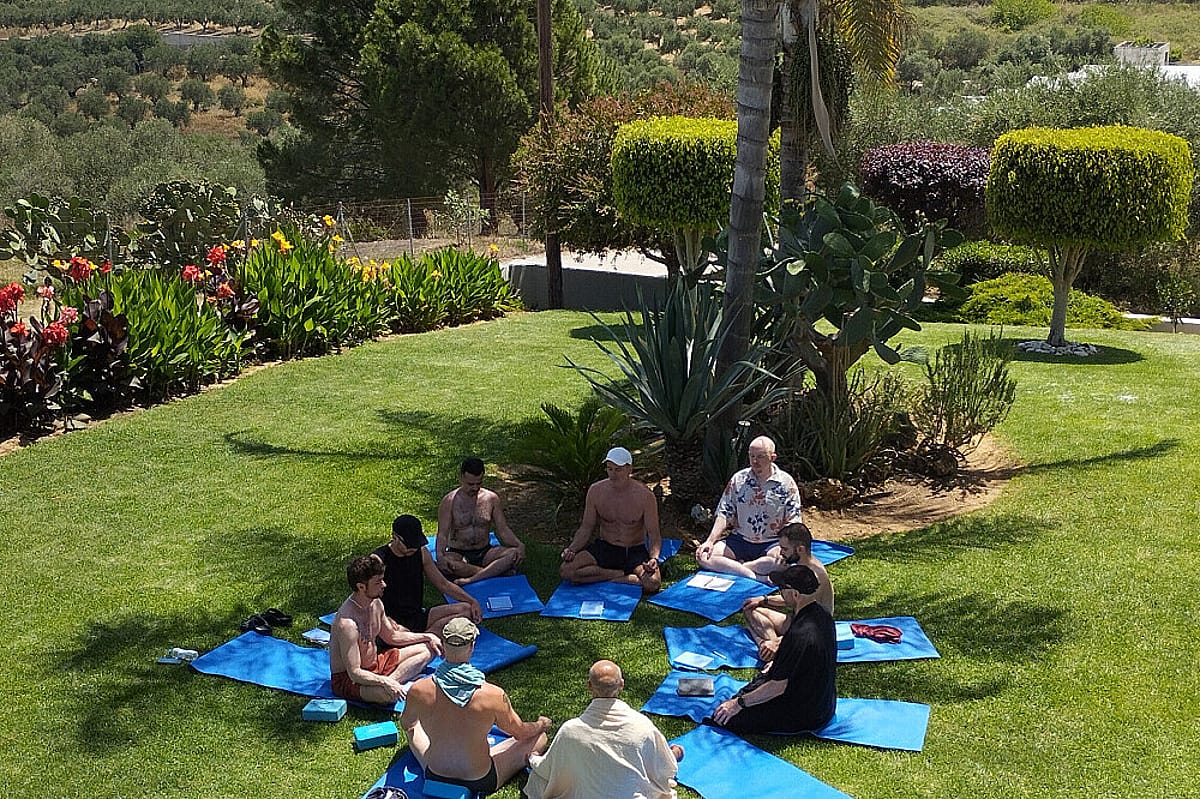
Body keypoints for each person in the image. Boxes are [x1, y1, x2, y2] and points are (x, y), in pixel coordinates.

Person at [401, 618, 552, 796]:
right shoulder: (493, 695)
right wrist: (541, 724)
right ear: (472, 647)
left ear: (443, 644)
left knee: (414, 727)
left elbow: (407, 724)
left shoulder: (419, 689)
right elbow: (521, 733)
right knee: (539, 738)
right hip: (479, 779)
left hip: (434, 773)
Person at [524, 660, 684, 799]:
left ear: (589, 686)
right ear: (621, 684)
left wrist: (533, 758)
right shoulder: (642, 727)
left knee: (538, 781)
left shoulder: (570, 731)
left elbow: (548, 769)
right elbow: (665, 766)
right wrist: (674, 753)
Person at [710, 564, 836, 735]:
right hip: (825, 704)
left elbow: (778, 687)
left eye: (782, 589)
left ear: (795, 594)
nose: (780, 592)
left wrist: (738, 703)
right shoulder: (822, 615)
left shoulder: (799, 634)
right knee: (758, 684)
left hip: (806, 714)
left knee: (725, 716)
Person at [329, 555, 443, 704]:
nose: (384, 585)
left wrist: (428, 636)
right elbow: (355, 673)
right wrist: (385, 683)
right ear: (361, 587)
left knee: (429, 649)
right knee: (387, 697)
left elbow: (392, 637)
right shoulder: (347, 624)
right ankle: (392, 685)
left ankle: (392, 682)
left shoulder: (375, 603)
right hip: (349, 679)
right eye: (378, 582)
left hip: (377, 664)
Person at [696, 436, 803, 581]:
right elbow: (724, 512)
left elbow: (794, 521)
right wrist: (710, 541)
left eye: (760, 457)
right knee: (703, 557)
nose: (755, 461)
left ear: (773, 457)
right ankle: (753, 575)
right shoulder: (738, 479)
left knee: (781, 564)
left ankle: (740, 568)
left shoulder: (786, 483)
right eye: (751, 456)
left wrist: (787, 548)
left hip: (771, 542)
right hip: (740, 540)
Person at [560, 447, 663, 594]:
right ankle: (620, 576)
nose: (613, 475)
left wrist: (654, 558)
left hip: (633, 550)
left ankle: (604, 575)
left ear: (629, 469)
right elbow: (586, 527)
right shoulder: (596, 491)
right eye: (610, 469)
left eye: (618, 470)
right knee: (566, 570)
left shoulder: (645, 496)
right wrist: (572, 549)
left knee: (653, 583)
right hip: (607, 547)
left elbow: (654, 534)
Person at [372, 515, 482, 639]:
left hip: (417, 615)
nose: (413, 549)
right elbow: (369, 597)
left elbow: (443, 584)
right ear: (395, 537)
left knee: (467, 610)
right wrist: (386, 620)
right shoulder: (379, 560)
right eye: (409, 545)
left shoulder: (422, 553)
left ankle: (422, 637)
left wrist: (472, 601)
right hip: (390, 620)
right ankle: (425, 637)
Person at [741, 522, 834, 662]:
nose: (781, 553)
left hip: (812, 630)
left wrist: (779, 642)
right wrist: (763, 599)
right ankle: (767, 645)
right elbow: (791, 599)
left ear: (800, 549)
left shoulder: (812, 577)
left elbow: (809, 626)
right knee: (750, 609)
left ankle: (773, 649)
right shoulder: (802, 567)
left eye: (785, 549)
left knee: (754, 625)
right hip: (797, 620)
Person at [436, 457, 527, 585]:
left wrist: (519, 545)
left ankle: (471, 578)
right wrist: (440, 556)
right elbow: (442, 534)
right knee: (450, 564)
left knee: (512, 554)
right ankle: (493, 572)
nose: (475, 488)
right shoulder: (449, 501)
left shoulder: (491, 499)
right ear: (461, 478)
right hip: (459, 553)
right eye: (470, 484)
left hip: (485, 551)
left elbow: (503, 529)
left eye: (478, 483)